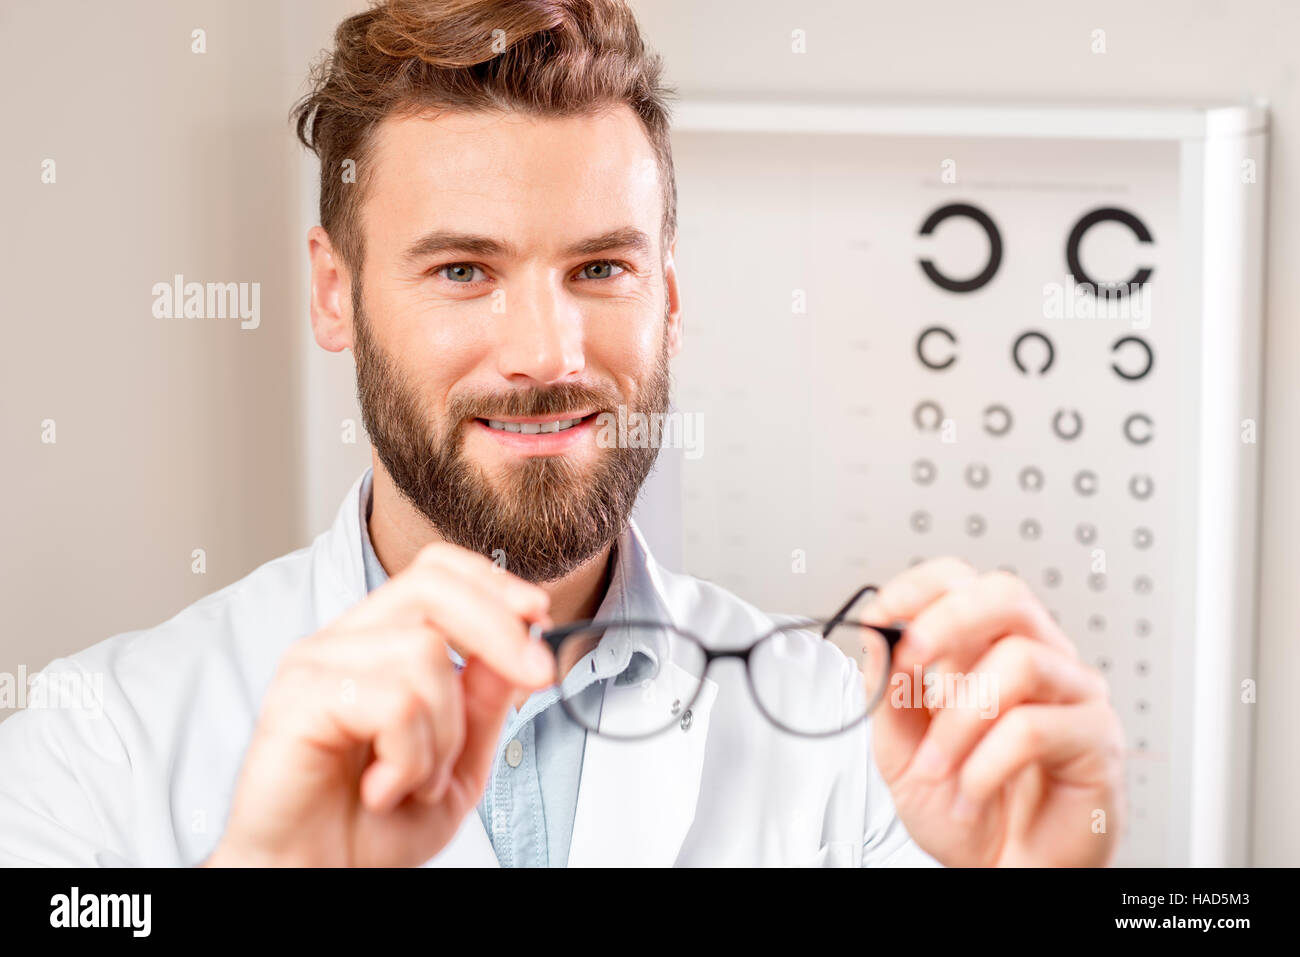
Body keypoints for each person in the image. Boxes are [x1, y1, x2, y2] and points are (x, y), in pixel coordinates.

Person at [0, 0, 1123, 868]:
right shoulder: (93, 744)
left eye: (600, 268)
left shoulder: (858, 749)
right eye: (461, 269)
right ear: (333, 293)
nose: (548, 353)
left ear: (669, 295)